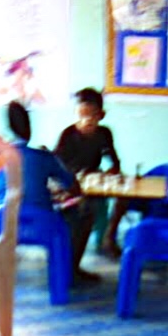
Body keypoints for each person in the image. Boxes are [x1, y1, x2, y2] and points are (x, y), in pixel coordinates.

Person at [5, 101, 98, 286]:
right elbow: (74, 187)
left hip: (2, 223)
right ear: (29, 129)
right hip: (42, 222)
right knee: (84, 212)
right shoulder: (43, 157)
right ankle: (71, 270)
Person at [53, 88, 123, 262]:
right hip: (72, 183)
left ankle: (108, 237)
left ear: (101, 115)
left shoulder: (104, 133)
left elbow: (113, 159)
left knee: (123, 199)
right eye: (82, 115)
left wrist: (113, 169)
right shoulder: (68, 134)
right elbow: (57, 164)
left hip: (95, 181)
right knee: (89, 206)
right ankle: (78, 246)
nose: (86, 121)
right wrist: (76, 174)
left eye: (92, 116)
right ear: (76, 114)